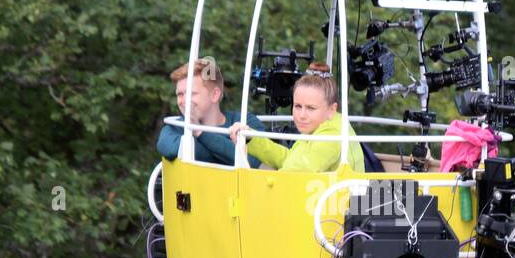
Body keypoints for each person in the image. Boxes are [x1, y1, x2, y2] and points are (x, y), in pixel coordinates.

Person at [228, 72, 365, 172]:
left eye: (311, 108)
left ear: (331, 109)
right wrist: (251, 138)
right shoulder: (318, 126)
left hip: (337, 207)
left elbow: (300, 169)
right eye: (298, 106)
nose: (302, 115)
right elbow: (290, 158)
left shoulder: (332, 134)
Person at [155, 58, 265, 168]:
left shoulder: (246, 122)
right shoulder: (176, 127)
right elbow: (167, 148)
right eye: (180, 94)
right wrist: (230, 152)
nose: (183, 102)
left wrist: (199, 132)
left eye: (191, 94)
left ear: (214, 95)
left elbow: (258, 162)